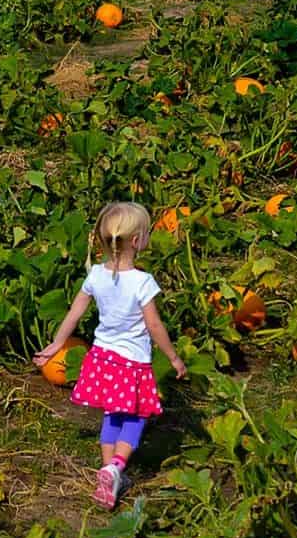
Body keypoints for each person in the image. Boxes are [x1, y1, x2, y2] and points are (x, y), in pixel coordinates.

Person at [33, 202, 188, 509]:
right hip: (132, 364)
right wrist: (172, 357)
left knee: (112, 414)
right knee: (136, 416)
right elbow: (154, 325)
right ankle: (117, 466)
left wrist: (55, 343)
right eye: (146, 232)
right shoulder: (143, 282)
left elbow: (75, 312)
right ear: (136, 241)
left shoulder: (96, 276)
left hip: (102, 359)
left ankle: (107, 471)